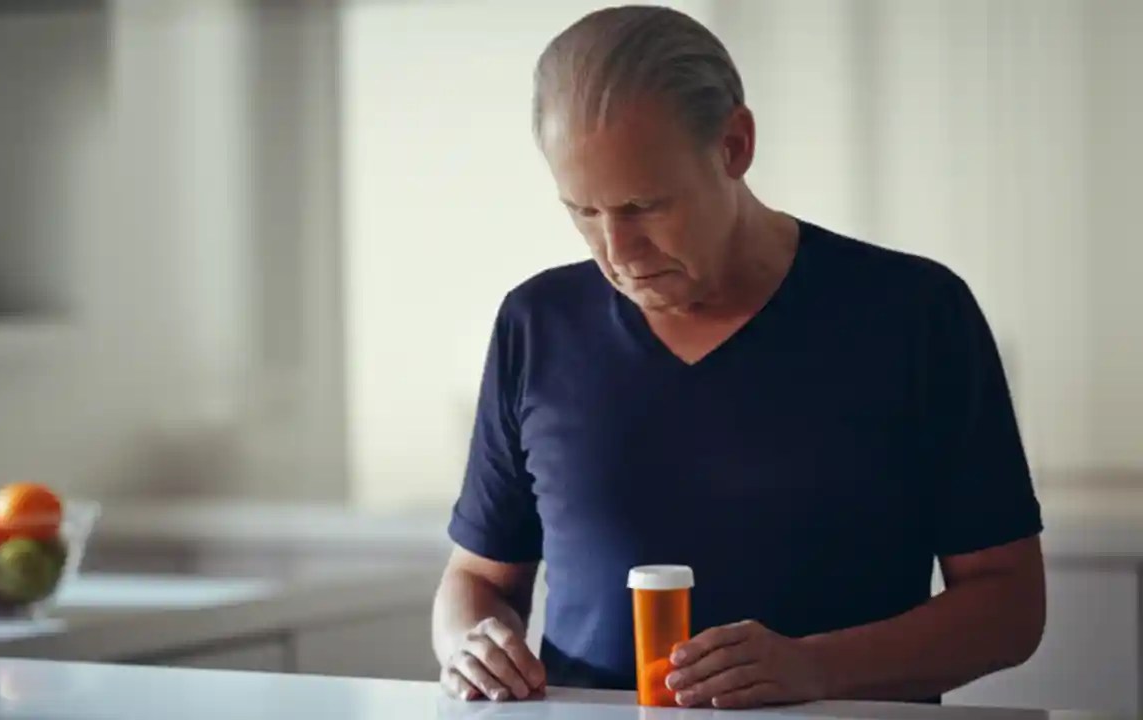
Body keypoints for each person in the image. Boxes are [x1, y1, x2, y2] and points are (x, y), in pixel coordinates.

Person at [431, 5, 1045, 710]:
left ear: (735, 145)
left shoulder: (915, 313)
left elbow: (1010, 607)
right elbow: (478, 579)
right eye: (584, 212)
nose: (618, 254)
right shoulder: (537, 324)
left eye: (644, 206)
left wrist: (818, 668)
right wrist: (470, 644)